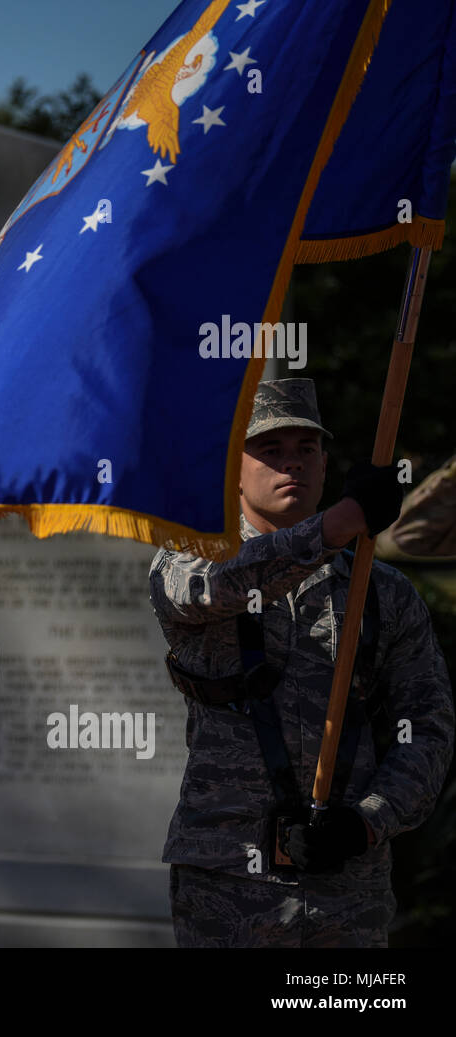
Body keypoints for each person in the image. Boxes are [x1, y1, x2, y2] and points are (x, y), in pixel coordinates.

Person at [149, 377, 454, 947]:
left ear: (324, 461)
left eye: (305, 449)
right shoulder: (187, 563)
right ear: (233, 469)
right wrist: (338, 524)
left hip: (347, 888)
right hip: (228, 882)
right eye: (270, 450)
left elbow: (427, 726)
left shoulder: (381, 593)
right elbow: (214, 586)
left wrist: (367, 821)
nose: (292, 463)